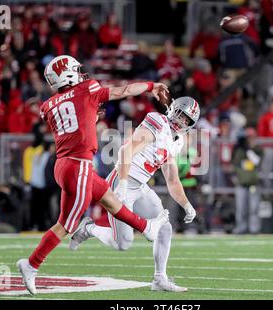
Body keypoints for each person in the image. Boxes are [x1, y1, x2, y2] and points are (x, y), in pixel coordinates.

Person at [16, 55, 169, 295]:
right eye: (75, 70)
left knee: (108, 197)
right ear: (67, 74)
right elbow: (124, 90)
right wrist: (151, 86)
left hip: (64, 165)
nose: (81, 74)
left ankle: (146, 227)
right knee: (66, 225)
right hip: (79, 165)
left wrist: (89, 116)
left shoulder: (48, 105)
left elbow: (72, 122)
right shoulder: (87, 89)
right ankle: (31, 264)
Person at [69, 97, 200, 292]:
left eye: (186, 120)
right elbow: (125, 150)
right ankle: (89, 228)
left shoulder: (177, 141)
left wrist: (187, 205)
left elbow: (172, 179)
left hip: (140, 186)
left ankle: (159, 279)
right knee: (123, 243)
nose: (181, 122)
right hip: (120, 180)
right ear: (173, 109)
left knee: (164, 228)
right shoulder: (157, 121)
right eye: (181, 115)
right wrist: (121, 184)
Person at [231, 128, 263, 234]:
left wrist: (249, 150)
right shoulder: (240, 150)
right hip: (242, 182)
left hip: (254, 183)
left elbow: (257, 161)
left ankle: (254, 229)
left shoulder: (258, 149)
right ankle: (241, 227)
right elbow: (236, 164)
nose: (250, 140)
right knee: (241, 209)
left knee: (254, 208)